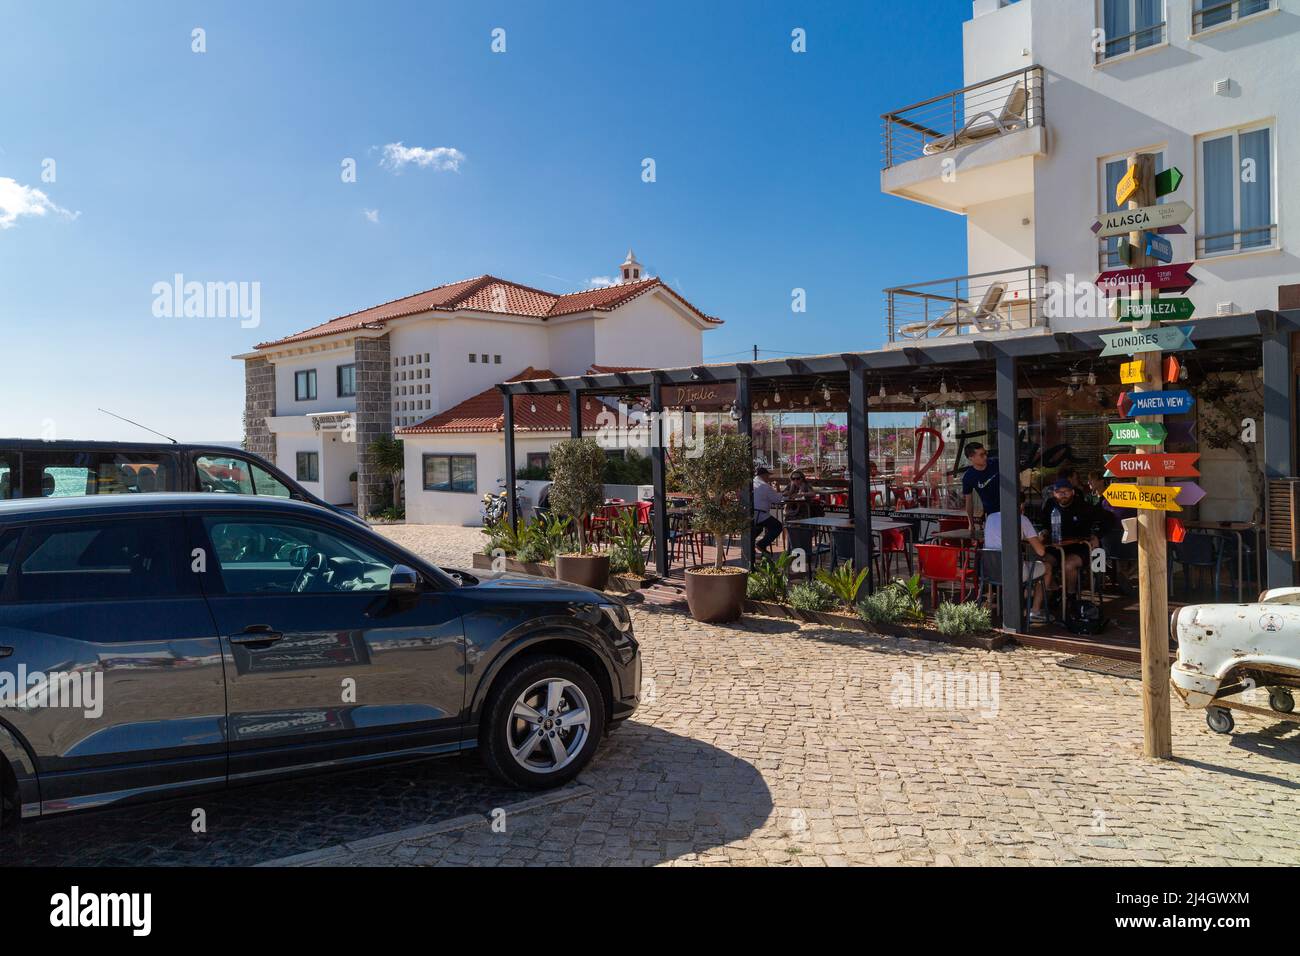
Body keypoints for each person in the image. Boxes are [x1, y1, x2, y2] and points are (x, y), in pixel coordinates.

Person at [984, 494, 1052, 624]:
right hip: (1014, 573)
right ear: (1021, 505)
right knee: (1047, 567)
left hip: (993, 572)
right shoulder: (1022, 519)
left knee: (1023, 565)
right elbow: (1041, 551)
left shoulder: (990, 518)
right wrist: (1036, 538)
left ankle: (1019, 597)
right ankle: (1035, 610)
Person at [1041, 479, 1110, 598]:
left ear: (1072, 492)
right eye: (1059, 492)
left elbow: (1108, 519)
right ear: (1054, 494)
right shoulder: (1050, 504)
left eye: (1066, 491)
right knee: (1043, 565)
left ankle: (1070, 596)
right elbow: (1044, 524)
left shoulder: (1083, 506)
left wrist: (1097, 536)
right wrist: (1044, 532)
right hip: (1057, 545)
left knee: (1068, 565)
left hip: (1080, 546)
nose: (1063, 495)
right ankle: (1056, 590)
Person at [962, 443, 999, 527]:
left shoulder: (996, 463)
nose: (985, 457)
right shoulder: (969, 476)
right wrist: (971, 524)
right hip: (991, 515)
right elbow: (969, 502)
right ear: (971, 458)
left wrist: (1021, 501)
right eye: (981, 455)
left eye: (985, 453)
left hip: (1011, 509)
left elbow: (1014, 477)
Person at [752, 467, 785, 557]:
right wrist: (781, 492)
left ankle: (750, 547)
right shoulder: (765, 486)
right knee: (777, 526)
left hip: (750, 515)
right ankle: (761, 544)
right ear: (764, 475)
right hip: (760, 514)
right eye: (767, 476)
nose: (768, 478)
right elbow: (777, 500)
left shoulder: (751, 483)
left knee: (757, 528)